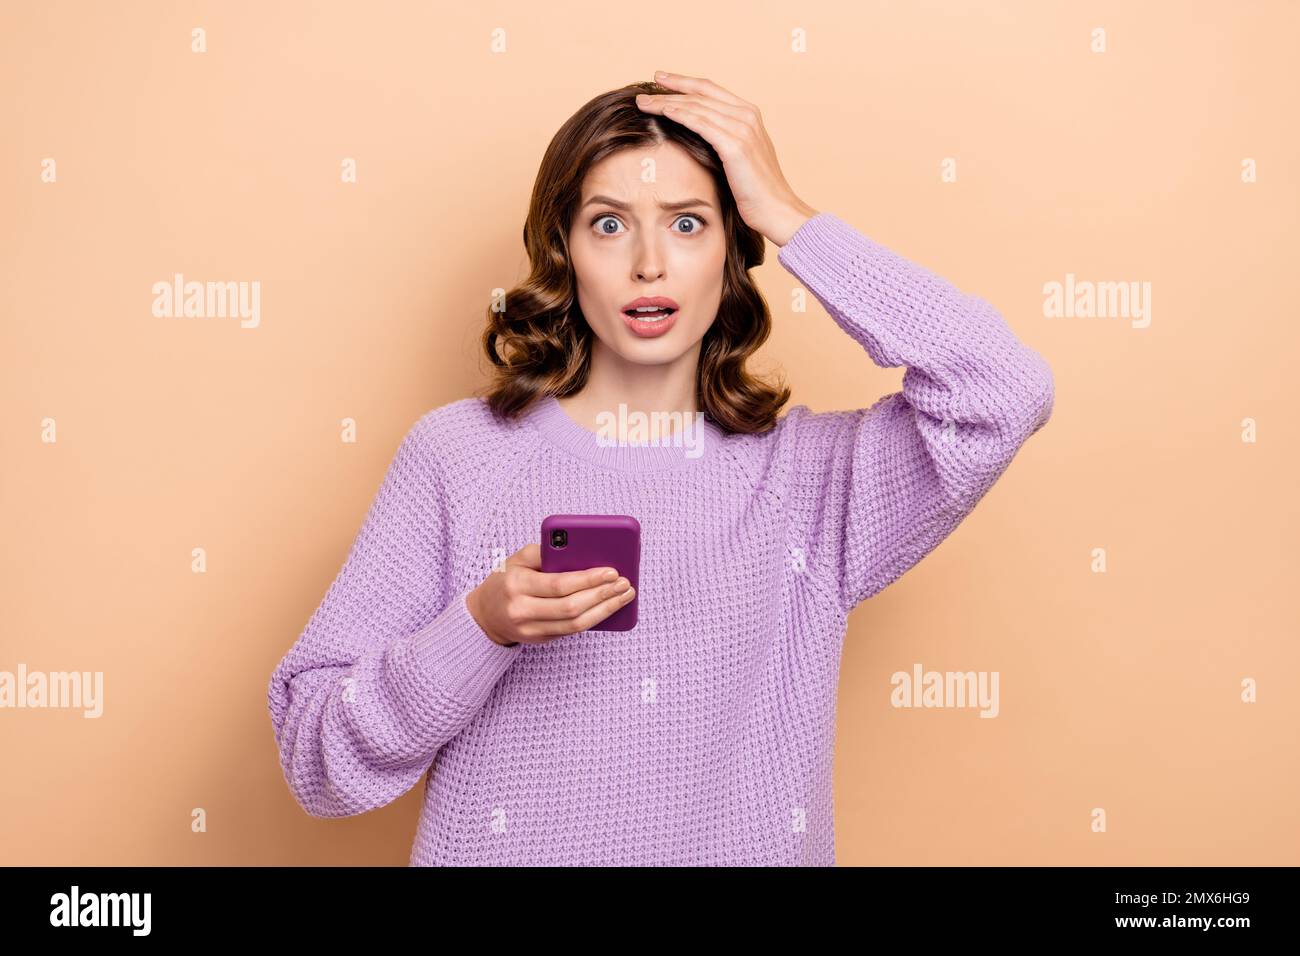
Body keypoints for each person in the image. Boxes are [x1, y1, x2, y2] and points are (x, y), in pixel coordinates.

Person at [266, 72, 1055, 866]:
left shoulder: (815, 480)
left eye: (688, 223)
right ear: (563, 251)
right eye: (609, 224)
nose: (650, 264)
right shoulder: (459, 457)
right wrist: (480, 628)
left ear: (732, 246)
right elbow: (316, 759)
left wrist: (789, 215)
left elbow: (1004, 390)